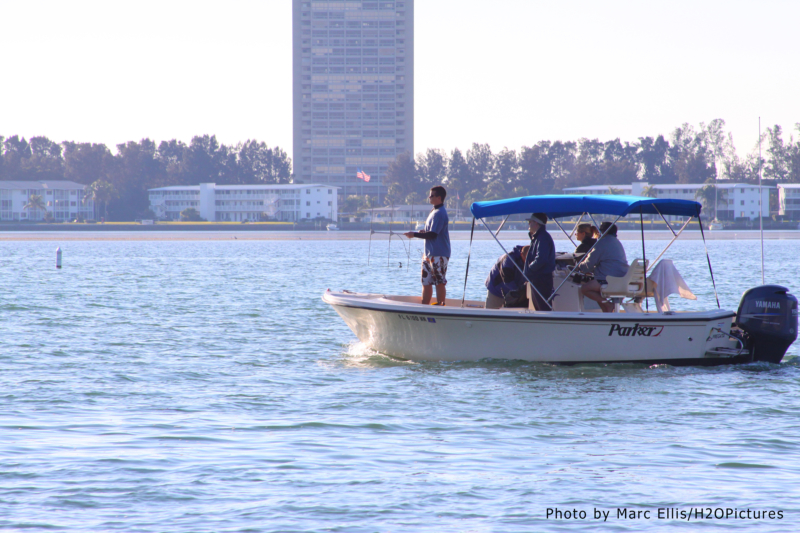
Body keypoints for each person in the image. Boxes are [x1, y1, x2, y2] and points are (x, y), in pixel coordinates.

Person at [404, 186, 451, 305]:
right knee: (426, 281)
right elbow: (430, 231)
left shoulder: (440, 213)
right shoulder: (433, 211)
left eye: (432, 195)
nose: (429, 197)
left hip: (439, 254)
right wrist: (422, 232)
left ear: (439, 198)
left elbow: (433, 235)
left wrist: (414, 234)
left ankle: (441, 305)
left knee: (439, 281)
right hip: (428, 254)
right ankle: (424, 307)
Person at [578, 222, 629, 312]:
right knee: (598, 292)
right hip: (623, 278)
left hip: (609, 280)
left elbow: (587, 266)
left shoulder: (602, 243)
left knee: (585, 289)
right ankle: (607, 311)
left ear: (603, 232)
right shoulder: (617, 242)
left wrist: (578, 265)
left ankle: (608, 304)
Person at [524, 213, 556, 310]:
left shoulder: (542, 237)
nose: (528, 224)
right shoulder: (539, 237)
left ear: (536, 223)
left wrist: (529, 269)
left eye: (530, 222)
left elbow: (541, 259)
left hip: (541, 278)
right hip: (539, 278)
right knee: (539, 306)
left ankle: (547, 323)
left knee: (543, 307)